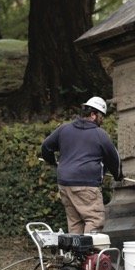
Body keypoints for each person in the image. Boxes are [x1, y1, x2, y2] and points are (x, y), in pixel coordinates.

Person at [39, 96, 123, 234]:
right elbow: (115, 160)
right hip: (86, 185)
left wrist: (53, 163)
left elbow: (46, 147)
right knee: (94, 220)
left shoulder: (64, 129)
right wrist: (118, 176)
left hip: (64, 184)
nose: (102, 120)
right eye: (101, 116)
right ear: (93, 115)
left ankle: (75, 255)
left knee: (75, 223)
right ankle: (90, 255)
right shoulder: (100, 134)